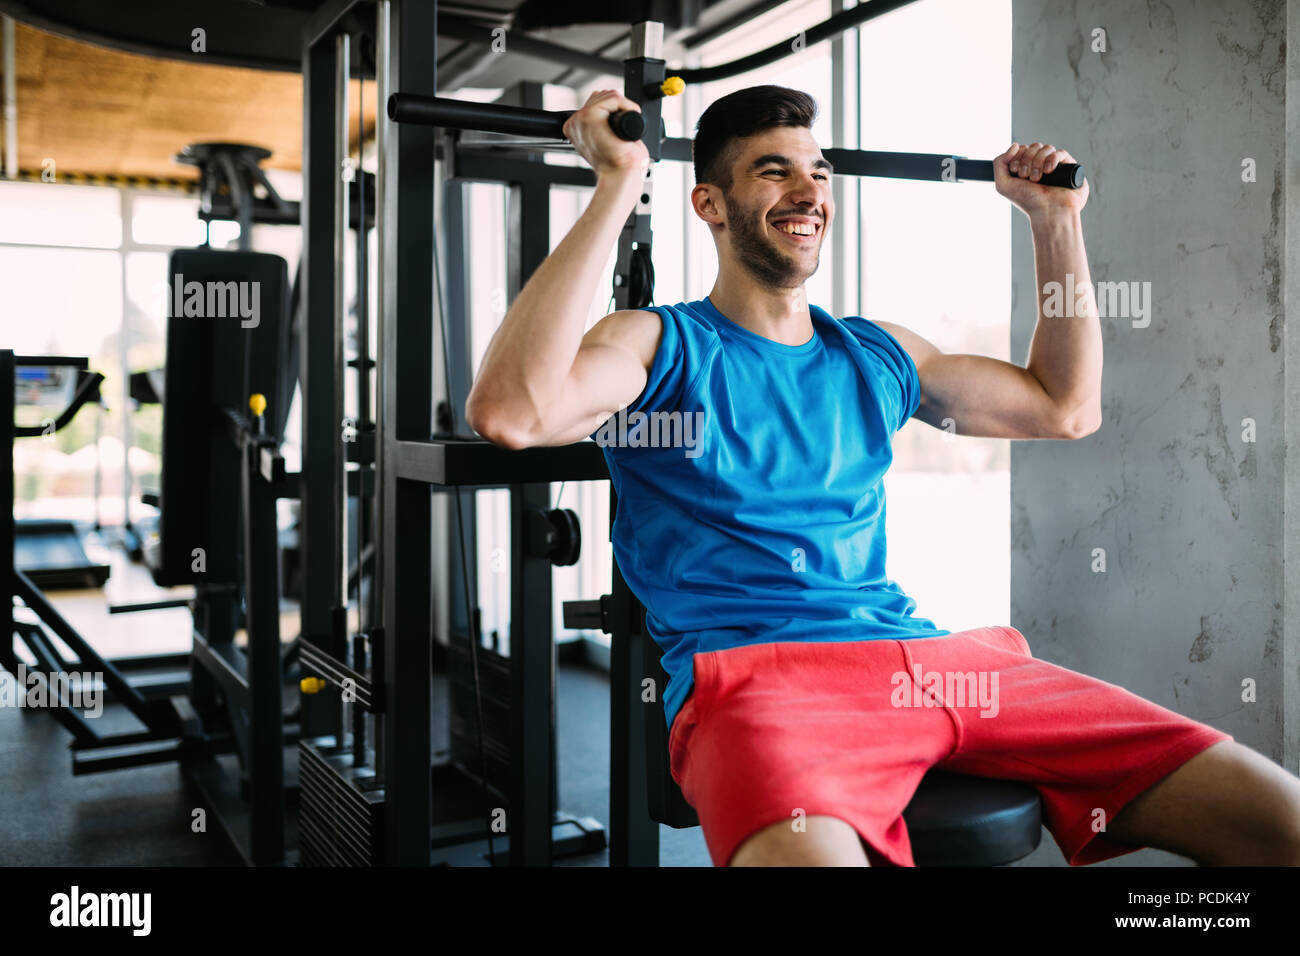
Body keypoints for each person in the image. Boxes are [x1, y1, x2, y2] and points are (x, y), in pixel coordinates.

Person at [465, 84, 1300, 867]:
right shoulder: (660, 346)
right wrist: (617, 185)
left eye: (817, 172)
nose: (808, 191)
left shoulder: (874, 352)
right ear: (708, 204)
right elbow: (511, 411)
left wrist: (1055, 221)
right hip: (759, 682)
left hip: (930, 659)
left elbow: (1064, 407)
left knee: (1278, 820)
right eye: (773, 170)